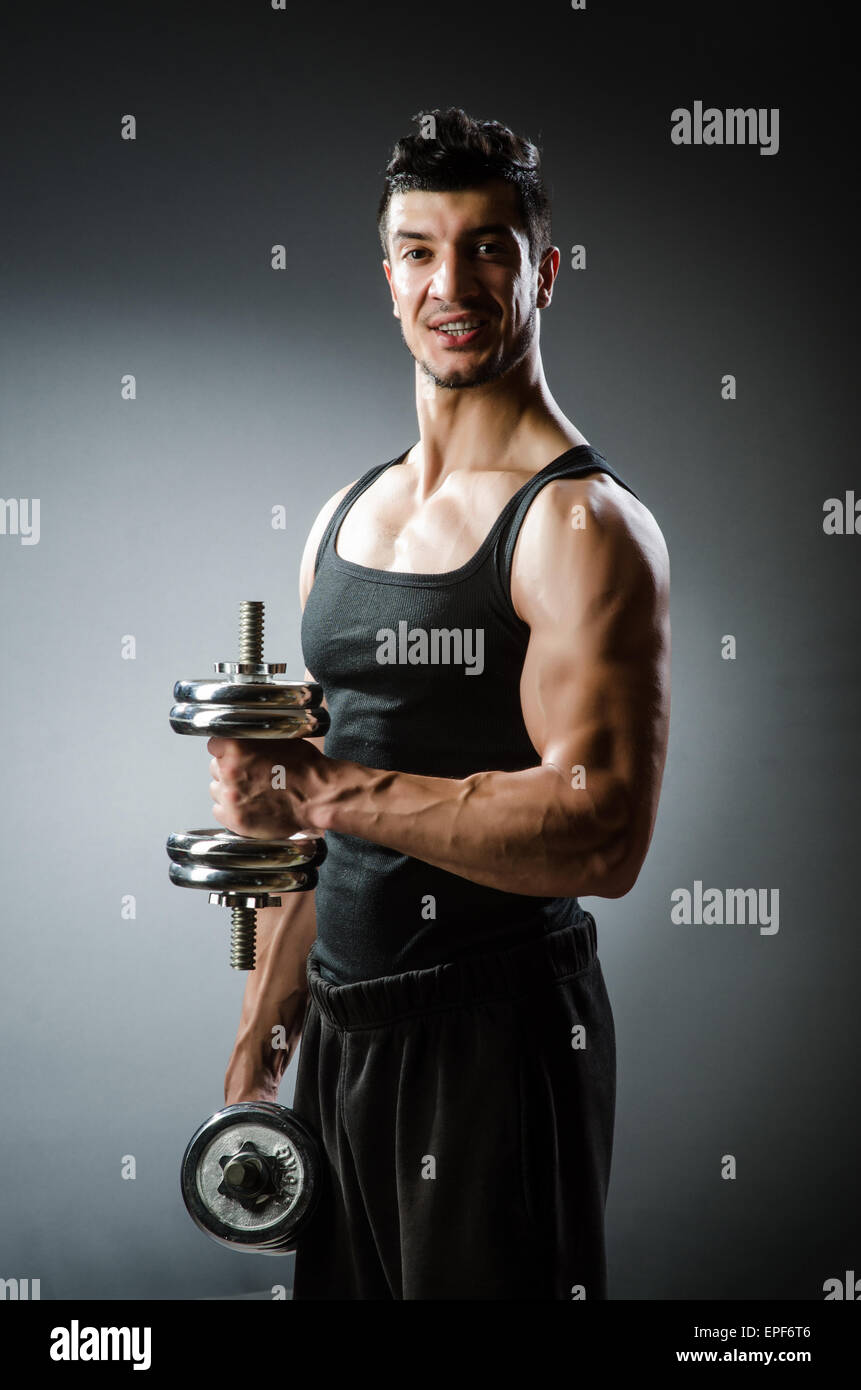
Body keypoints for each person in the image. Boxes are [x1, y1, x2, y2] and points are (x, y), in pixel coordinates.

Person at [207, 107, 671, 1300]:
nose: (451, 282)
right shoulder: (345, 514)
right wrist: (271, 1008)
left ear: (544, 271)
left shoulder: (583, 524)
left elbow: (602, 831)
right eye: (420, 250)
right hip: (349, 1031)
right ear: (388, 276)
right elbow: (319, 825)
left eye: (489, 247)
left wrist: (336, 789)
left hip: (497, 1037)